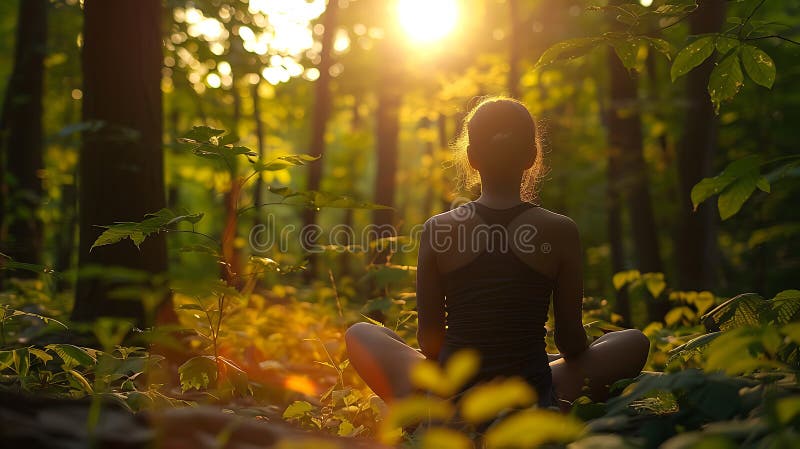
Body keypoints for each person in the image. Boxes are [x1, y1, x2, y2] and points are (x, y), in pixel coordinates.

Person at [345, 96, 650, 411]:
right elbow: (571, 343)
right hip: (530, 394)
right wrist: (546, 358)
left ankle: (423, 409)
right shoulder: (560, 230)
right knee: (632, 342)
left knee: (361, 333)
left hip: (452, 395)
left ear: (472, 157)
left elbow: (430, 343)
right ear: (531, 157)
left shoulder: (439, 228)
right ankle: (546, 405)